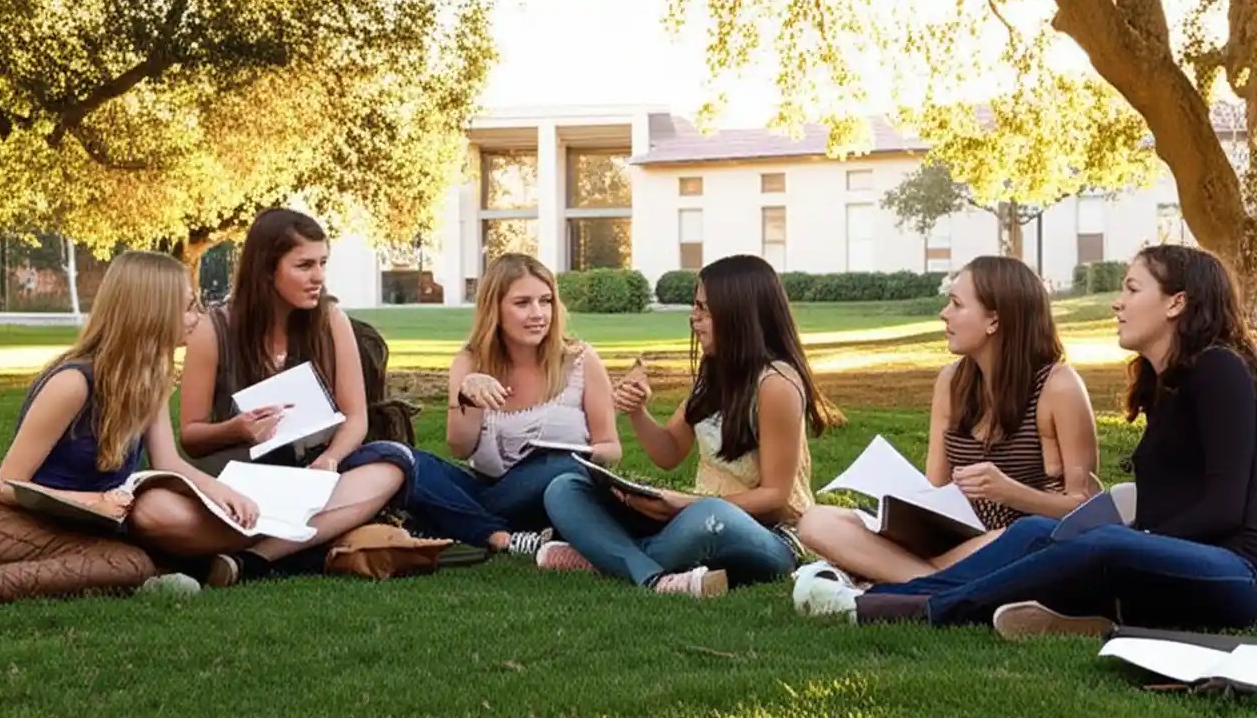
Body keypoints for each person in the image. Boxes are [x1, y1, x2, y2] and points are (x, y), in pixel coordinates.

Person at [811, 245, 1257, 638]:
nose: (1117, 302)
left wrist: (1138, 538)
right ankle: (883, 595)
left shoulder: (1220, 369)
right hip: (1171, 559)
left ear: (1177, 303)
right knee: (1036, 531)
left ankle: (923, 610)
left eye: (1132, 289)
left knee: (1103, 542)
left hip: (1236, 571)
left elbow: (1224, 507)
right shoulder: (1162, 385)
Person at [127, 208, 410, 586]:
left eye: (323, 263)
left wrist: (329, 459)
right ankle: (311, 539)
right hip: (240, 482)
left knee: (393, 462)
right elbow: (191, 438)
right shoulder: (214, 329)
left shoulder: (330, 319)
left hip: (314, 475)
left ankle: (251, 560)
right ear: (266, 270)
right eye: (304, 265)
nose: (318, 277)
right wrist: (236, 429)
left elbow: (355, 417)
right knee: (153, 512)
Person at [537, 254, 838, 597]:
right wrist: (638, 412)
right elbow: (668, 453)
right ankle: (647, 570)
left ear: (737, 313)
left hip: (768, 534)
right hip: (692, 513)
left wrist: (685, 504)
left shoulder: (777, 383)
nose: (693, 317)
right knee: (565, 487)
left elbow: (775, 496)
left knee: (708, 517)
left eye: (703, 309)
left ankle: (606, 556)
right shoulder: (715, 372)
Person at [797, 256, 1100, 585]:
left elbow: (1086, 510)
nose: (944, 313)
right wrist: (902, 518)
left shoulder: (1059, 386)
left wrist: (1008, 492)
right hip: (955, 539)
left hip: (1019, 538)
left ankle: (904, 579)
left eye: (957, 304)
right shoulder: (952, 382)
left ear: (994, 320)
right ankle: (931, 582)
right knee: (817, 521)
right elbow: (935, 488)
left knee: (1024, 535)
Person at [0, 251, 251, 604]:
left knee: (139, 557)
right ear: (150, 311)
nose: (198, 316)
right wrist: (94, 501)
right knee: (129, 564)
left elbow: (168, 462)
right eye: (187, 306)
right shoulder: (74, 383)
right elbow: (5, 486)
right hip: (11, 520)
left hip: (80, 526)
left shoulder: (151, 378)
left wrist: (221, 492)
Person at [401, 252, 621, 555]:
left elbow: (611, 447)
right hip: (487, 487)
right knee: (402, 458)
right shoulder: (470, 361)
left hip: (553, 488)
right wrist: (468, 398)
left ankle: (448, 522)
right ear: (494, 309)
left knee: (559, 464)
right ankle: (504, 535)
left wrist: (576, 456)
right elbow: (460, 449)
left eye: (545, 301)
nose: (538, 313)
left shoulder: (580, 360)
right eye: (522, 303)